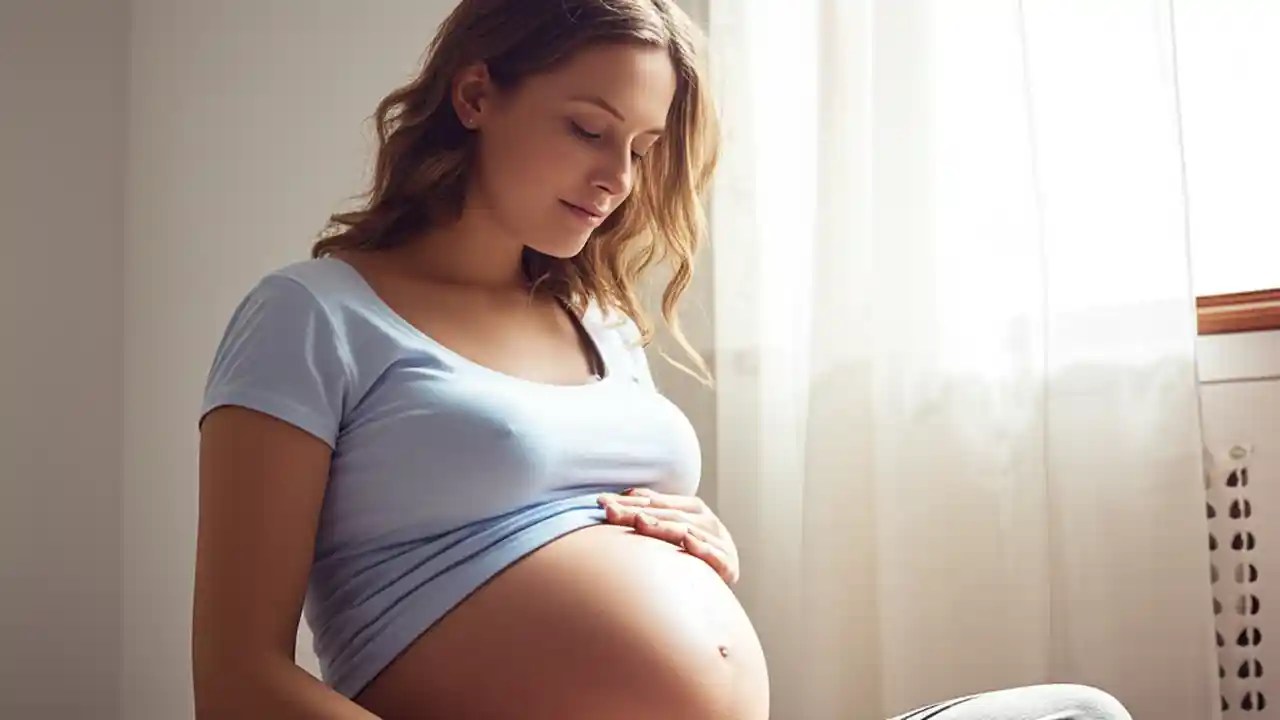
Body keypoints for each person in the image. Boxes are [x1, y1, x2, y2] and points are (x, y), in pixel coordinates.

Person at [190, 1, 1135, 718]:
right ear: (475, 96)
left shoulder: (601, 321)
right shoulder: (314, 315)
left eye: (642, 147)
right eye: (588, 129)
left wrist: (700, 552)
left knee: (1080, 714)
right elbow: (238, 682)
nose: (618, 179)